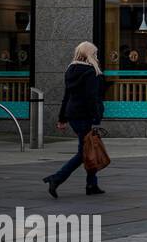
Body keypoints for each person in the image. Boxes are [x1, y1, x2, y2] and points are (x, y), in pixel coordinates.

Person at [42, 42, 106, 198]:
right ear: (90, 54)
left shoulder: (70, 69)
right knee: (83, 152)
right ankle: (56, 178)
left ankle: (92, 184)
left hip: (73, 114)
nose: (97, 56)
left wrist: (62, 118)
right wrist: (97, 115)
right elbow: (92, 97)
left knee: (88, 148)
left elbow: (66, 96)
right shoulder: (91, 72)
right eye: (95, 53)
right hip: (85, 115)